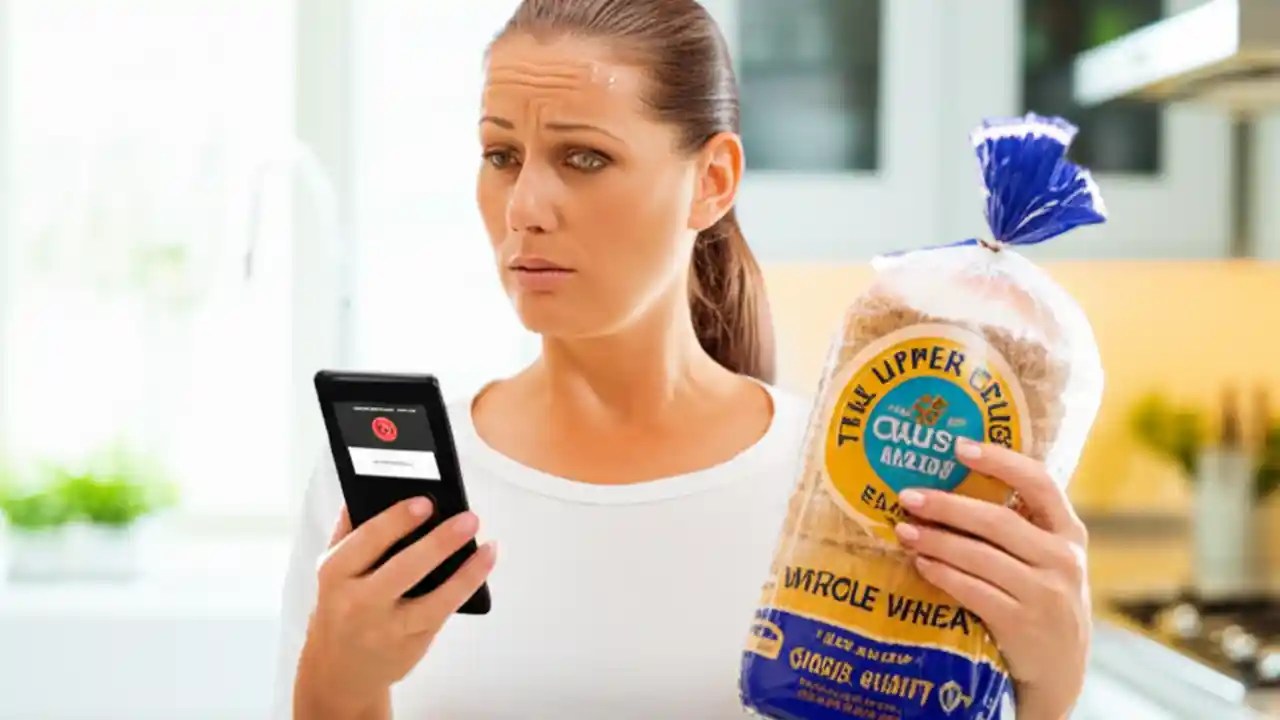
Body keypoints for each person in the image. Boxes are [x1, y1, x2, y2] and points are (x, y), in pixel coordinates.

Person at [273, 1, 1093, 718]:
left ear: (713, 179)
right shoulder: (387, 501)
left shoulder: (848, 488)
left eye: (583, 158)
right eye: (501, 155)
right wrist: (335, 688)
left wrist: (1046, 695)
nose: (524, 208)